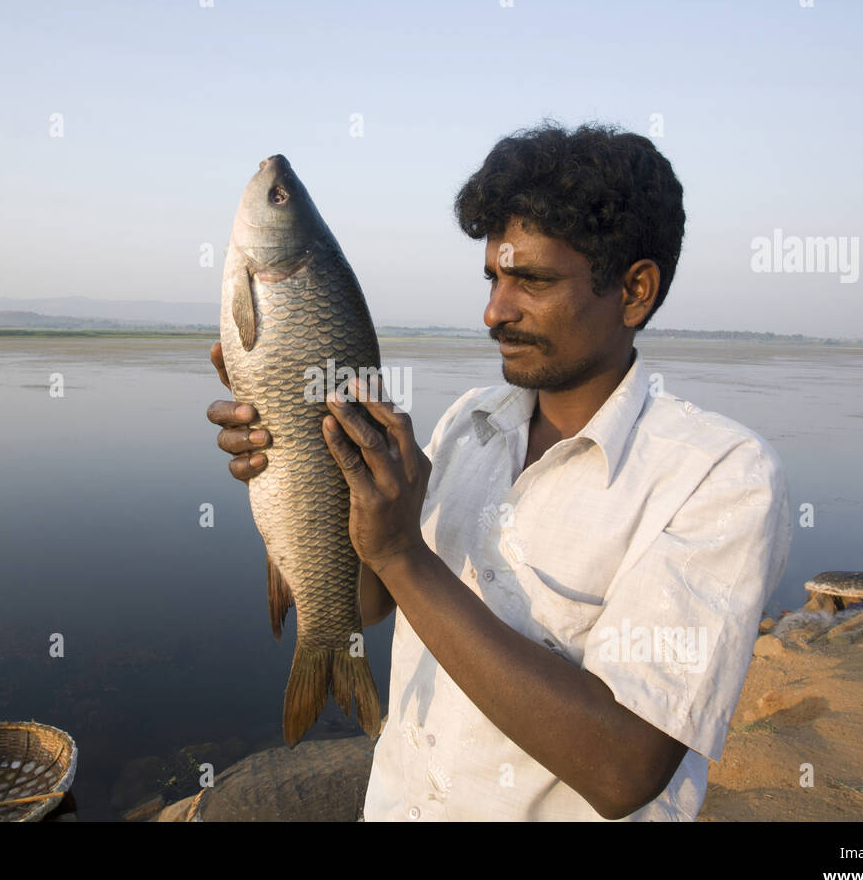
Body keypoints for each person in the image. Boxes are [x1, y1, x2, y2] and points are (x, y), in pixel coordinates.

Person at [206, 121, 792, 821]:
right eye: (493, 276)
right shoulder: (467, 425)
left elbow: (625, 767)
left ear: (635, 291)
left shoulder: (721, 477)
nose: (494, 311)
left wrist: (402, 555)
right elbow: (370, 608)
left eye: (533, 281)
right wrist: (314, 493)